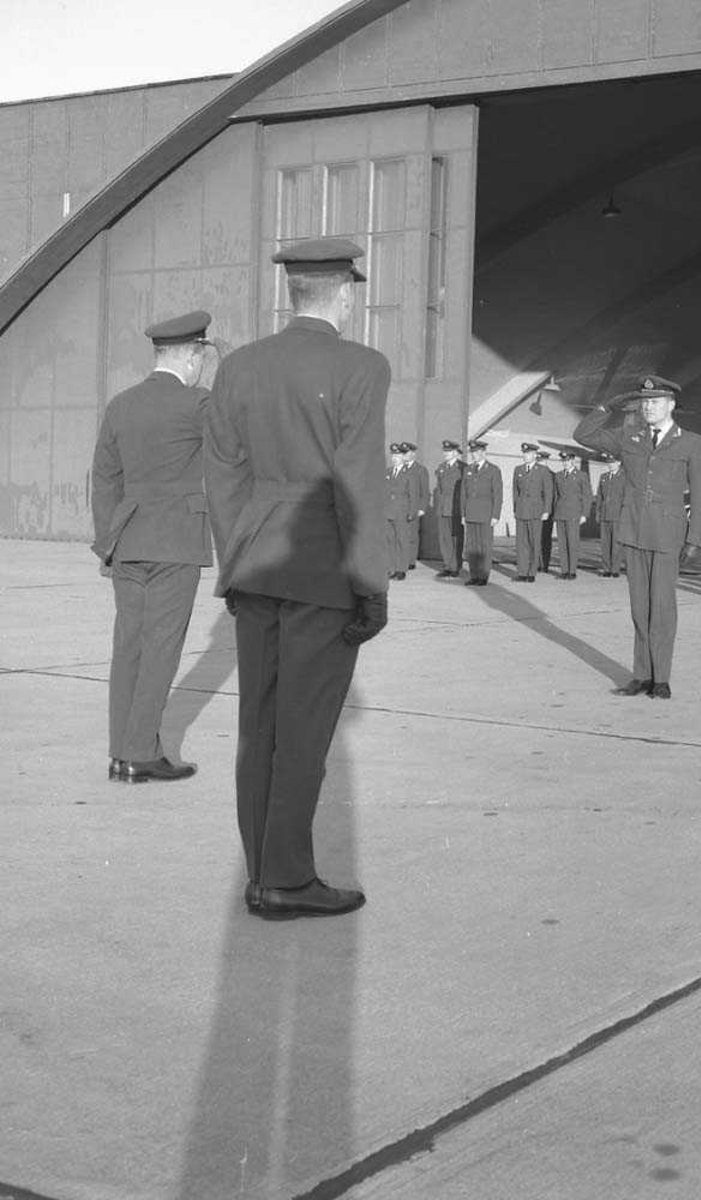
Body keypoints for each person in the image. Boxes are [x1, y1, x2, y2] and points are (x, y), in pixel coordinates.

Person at [205, 237, 389, 921]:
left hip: (254, 566)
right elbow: (358, 483)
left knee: (259, 728)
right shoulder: (361, 366)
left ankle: (263, 873)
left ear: (293, 292)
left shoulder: (241, 368)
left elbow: (222, 475)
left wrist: (240, 553)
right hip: (319, 569)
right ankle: (285, 879)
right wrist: (371, 583)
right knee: (304, 734)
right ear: (345, 292)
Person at [90, 310, 213, 784]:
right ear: (190, 355)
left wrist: (109, 541)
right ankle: (141, 753)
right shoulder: (197, 403)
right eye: (201, 355)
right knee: (161, 649)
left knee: (129, 648)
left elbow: (103, 478)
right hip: (176, 544)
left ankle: (121, 753)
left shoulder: (121, 405)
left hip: (129, 541)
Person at [574, 374, 701, 699]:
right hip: (634, 532)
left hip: (667, 536)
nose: (649, 407)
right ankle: (641, 675)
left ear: (671, 405)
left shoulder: (691, 442)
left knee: (662, 607)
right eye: (645, 402)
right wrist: (607, 406)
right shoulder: (628, 436)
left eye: (656, 402)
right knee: (639, 607)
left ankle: (660, 678)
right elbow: (583, 434)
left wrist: (693, 539)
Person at [461, 439, 502, 585]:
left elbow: (498, 494)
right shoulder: (468, 470)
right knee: (472, 546)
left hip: (486, 514)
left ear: (484, 452)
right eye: (472, 452)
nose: (474, 455)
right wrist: (463, 514)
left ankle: (483, 576)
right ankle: (474, 575)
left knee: (484, 546)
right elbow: (463, 494)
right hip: (471, 512)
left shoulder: (493, 470)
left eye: (477, 452)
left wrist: (496, 515)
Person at [512, 442, 552, 582]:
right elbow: (515, 491)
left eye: (528, 453)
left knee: (534, 542)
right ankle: (522, 572)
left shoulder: (543, 470)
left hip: (536, 511)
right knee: (521, 543)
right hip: (522, 510)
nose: (525, 456)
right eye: (524, 453)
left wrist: (546, 510)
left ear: (535, 455)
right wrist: (515, 508)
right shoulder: (518, 470)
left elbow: (548, 492)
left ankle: (531, 573)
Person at [552, 450, 593, 579]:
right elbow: (555, 495)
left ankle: (572, 571)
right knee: (562, 543)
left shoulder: (581, 475)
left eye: (567, 461)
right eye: (563, 461)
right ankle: (564, 571)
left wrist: (584, 514)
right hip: (560, 513)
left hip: (574, 513)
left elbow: (587, 496)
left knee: (572, 543)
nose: (565, 463)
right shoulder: (558, 476)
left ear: (573, 461)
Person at [383, 443, 415, 581]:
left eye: (398, 455)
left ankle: (401, 569)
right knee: (390, 540)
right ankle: (391, 568)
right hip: (388, 511)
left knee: (402, 540)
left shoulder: (409, 474)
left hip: (402, 511)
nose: (395, 458)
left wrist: (411, 512)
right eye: (393, 455)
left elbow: (413, 495)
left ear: (403, 457)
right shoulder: (388, 472)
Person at [434, 439, 465, 578]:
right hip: (443, 508)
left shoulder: (463, 467)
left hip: (456, 509)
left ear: (455, 453)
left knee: (456, 539)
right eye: (444, 451)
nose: (445, 454)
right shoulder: (441, 467)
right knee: (444, 539)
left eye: (448, 451)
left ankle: (456, 566)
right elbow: (440, 489)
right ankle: (447, 566)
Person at [596, 453, 625, 576]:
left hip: (617, 514)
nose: (610, 465)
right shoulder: (604, 477)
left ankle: (615, 569)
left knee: (616, 544)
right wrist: (598, 513)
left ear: (618, 463)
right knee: (605, 543)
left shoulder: (624, 477)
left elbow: (626, 497)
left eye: (613, 462)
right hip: (605, 514)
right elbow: (599, 497)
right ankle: (606, 568)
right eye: (609, 463)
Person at [402, 443, 429, 569]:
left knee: (411, 535)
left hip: (414, 507)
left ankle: (410, 561)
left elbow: (424, 491)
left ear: (413, 453)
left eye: (406, 453)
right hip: (400, 507)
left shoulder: (420, 470)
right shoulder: (400, 468)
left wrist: (422, 508)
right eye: (403, 453)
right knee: (400, 534)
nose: (404, 455)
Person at [537, 450, 556, 572]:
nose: (540, 463)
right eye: (539, 461)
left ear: (546, 461)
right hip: (534, 511)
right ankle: (535, 563)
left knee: (545, 538)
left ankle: (544, 564)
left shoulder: (552, 475)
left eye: (542, 461)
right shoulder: (533, 473)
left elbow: (553, 495)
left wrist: (548, 511)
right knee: (534, 538)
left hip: (547, 511)